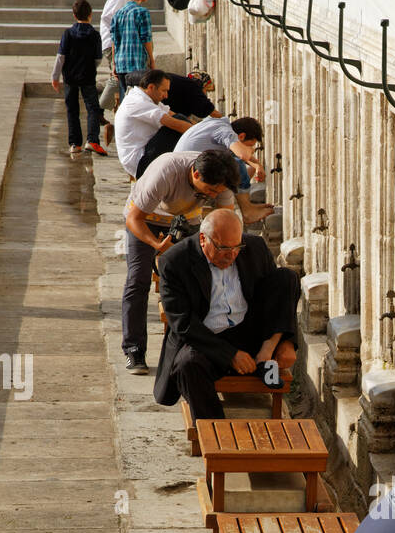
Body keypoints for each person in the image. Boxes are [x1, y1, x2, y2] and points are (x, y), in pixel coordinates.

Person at [153, 209, 300, 419]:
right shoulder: (175, 261)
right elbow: (183, 323)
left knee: (286, 277)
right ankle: (215, 432)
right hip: (207, 337)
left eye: (236, 247)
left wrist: (285, 341)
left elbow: (276, 297)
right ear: (204, 239)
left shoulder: (254, 247)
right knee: (187, 365)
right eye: (223, 248)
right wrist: (229, 355)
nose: (231, 255)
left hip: (249, 330)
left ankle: (264, 357)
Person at [121, 147, 240, 373]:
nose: (214, 195)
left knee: (200, 279)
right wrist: (156, 245)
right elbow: (134, 219)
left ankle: (199, 343)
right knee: (138, 279)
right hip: (147, 219)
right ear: (196, 174)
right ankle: (134, 348)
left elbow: (225, 219)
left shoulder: (220, 181)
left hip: (187, 220)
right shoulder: (166, 172)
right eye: (211, 191)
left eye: (218, 192)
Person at [173, 115, 273, 224]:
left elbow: (238, 152)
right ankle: (247, 210)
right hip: (189, 176)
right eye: (249, 145)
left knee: (236, 165)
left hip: (185, 170)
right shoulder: (224, 131)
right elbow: (242, 154)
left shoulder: (216, 124)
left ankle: (244, 206)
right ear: (241, 136)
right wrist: (249, 153)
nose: (251, 149)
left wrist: (257, 165)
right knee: (235, 165)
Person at [51, 0, 106, 160]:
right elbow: (98, 58)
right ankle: (92, 140)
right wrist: (90, 68)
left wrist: (55, 77)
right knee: (92, 108)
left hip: (70, 77)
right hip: (88, 76)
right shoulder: (95, 35)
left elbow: (61, 57)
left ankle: (75, 144)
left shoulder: (68, 34)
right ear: (90, 15)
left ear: (74, 15)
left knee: (72, 110)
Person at [113, 69, 192, 180]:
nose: (166, 96)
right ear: (151, 87)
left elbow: (172, 114)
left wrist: (200, 127)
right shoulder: (137, 102)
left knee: (181, 121)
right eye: (164, 91)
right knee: (178, 127)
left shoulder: (147, 98)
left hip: (146, 153)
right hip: (141, 164)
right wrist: (203, 132)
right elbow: (174, 123)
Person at [110, 0, 155, 97]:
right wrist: (151, 59)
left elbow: (114, 41)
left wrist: (114, 63)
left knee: (125, 100)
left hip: (121, 63)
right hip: (138, 63)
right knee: (138, 99)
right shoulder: (142, 12)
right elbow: (146, 39)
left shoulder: (117, 14)